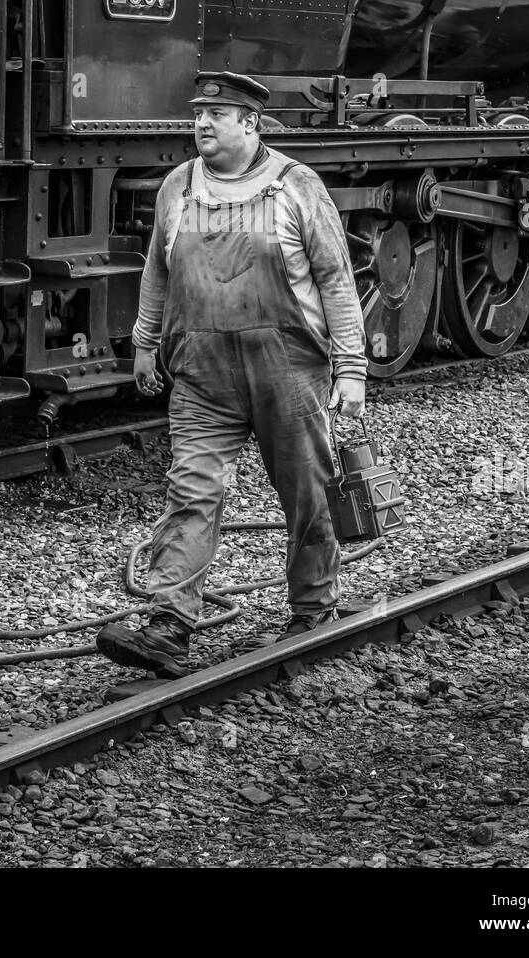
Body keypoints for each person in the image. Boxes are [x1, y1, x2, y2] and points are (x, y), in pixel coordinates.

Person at [96, 71, 367, 678]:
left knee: (306, 490)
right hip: (202, 374)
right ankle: (169, 623)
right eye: (198, 113)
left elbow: (336, 281)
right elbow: (157, 274)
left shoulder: (298, 186)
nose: (201, 124)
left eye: (216, 115)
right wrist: (143, 343)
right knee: (192, 489)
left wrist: (351, 369)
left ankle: (312, 608)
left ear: (250, 123)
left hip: (289, 371)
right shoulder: (178, 186)